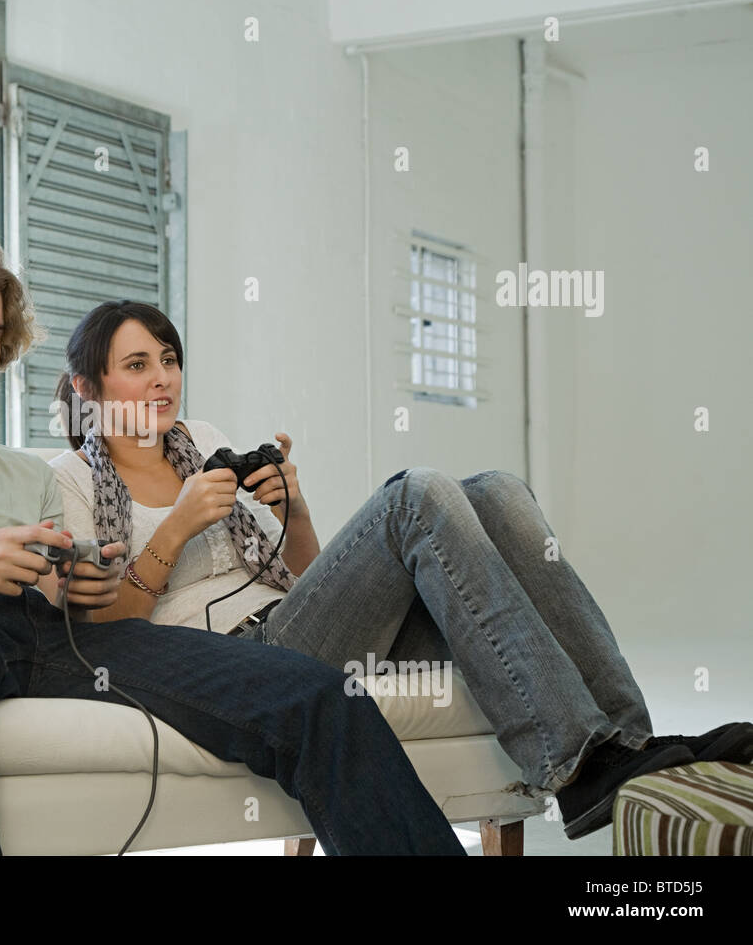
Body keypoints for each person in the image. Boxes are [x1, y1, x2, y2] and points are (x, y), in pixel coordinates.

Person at [0, 228, 465, 856]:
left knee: (315, 694)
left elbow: (74, 616)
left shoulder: (26, 473)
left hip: (43, 639)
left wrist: (88, 585)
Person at [48, 299, 753, 841]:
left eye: (167, 357)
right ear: (89, 385)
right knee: (414, 495)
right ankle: (577, 764)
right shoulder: (70, 481)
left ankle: (626, 741)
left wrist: (292, 512)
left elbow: (304, 575)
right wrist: (174, 528)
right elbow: (106, 636)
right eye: (136, 364)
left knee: (498, 491)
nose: (163, 377)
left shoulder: (202, 442)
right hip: (237, 666)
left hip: (292, 623)